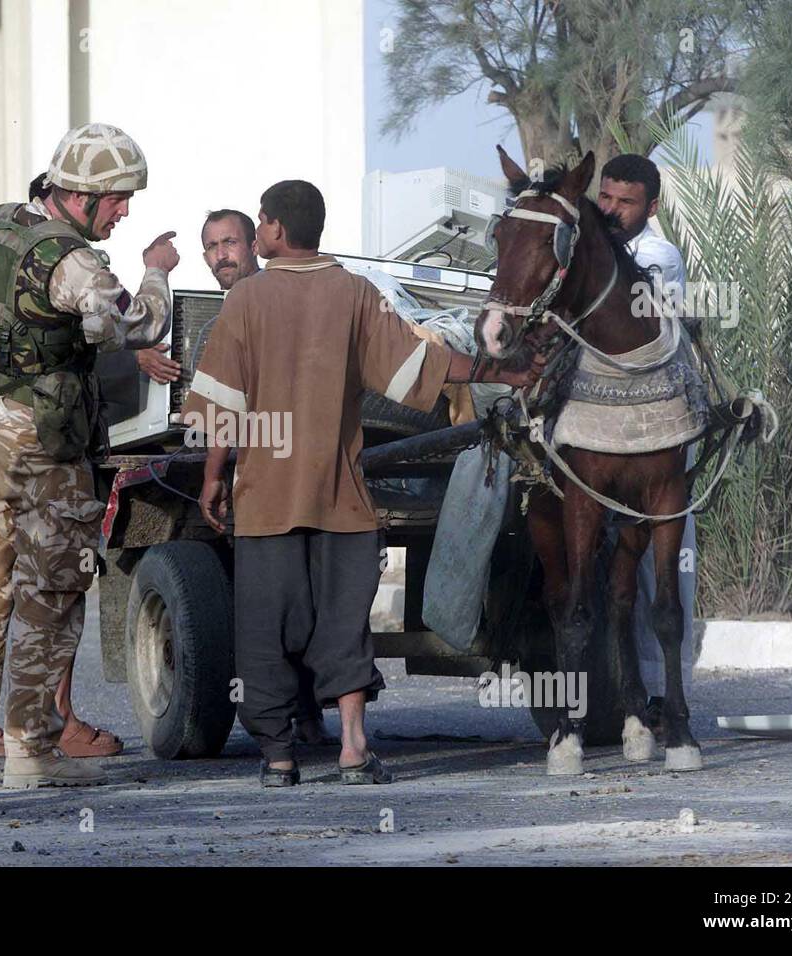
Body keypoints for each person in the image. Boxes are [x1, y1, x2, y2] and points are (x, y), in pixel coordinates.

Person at [182, 180, 540, 787]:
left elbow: (222, 407)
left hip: (267, 500)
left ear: (273, 229)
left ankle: (278, 758)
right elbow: (422, 368)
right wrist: (504, 370)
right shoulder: (355, 293)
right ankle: (352, 747)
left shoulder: (244, 303)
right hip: (342, 499)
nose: (256, 234)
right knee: (346, 622)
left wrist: (214, 477)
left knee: (266, 628)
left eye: (260, 223)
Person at [0, 123, 177, 788]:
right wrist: (156, 272)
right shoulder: (75, 262)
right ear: (79, 196)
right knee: (51, 594)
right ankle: (30, 753)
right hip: (46, 445)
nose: (125, 211)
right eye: (118, 199)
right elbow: (131, 326)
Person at [596, 153, 696, 734]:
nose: (611, 209)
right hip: (598, 423)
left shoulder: (658, 258)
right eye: (605, 198)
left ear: (650, 208)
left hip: (655, 424)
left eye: (625, 202)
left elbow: (642, 327)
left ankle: (662, 696)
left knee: (666, 573)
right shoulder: (590, 247)